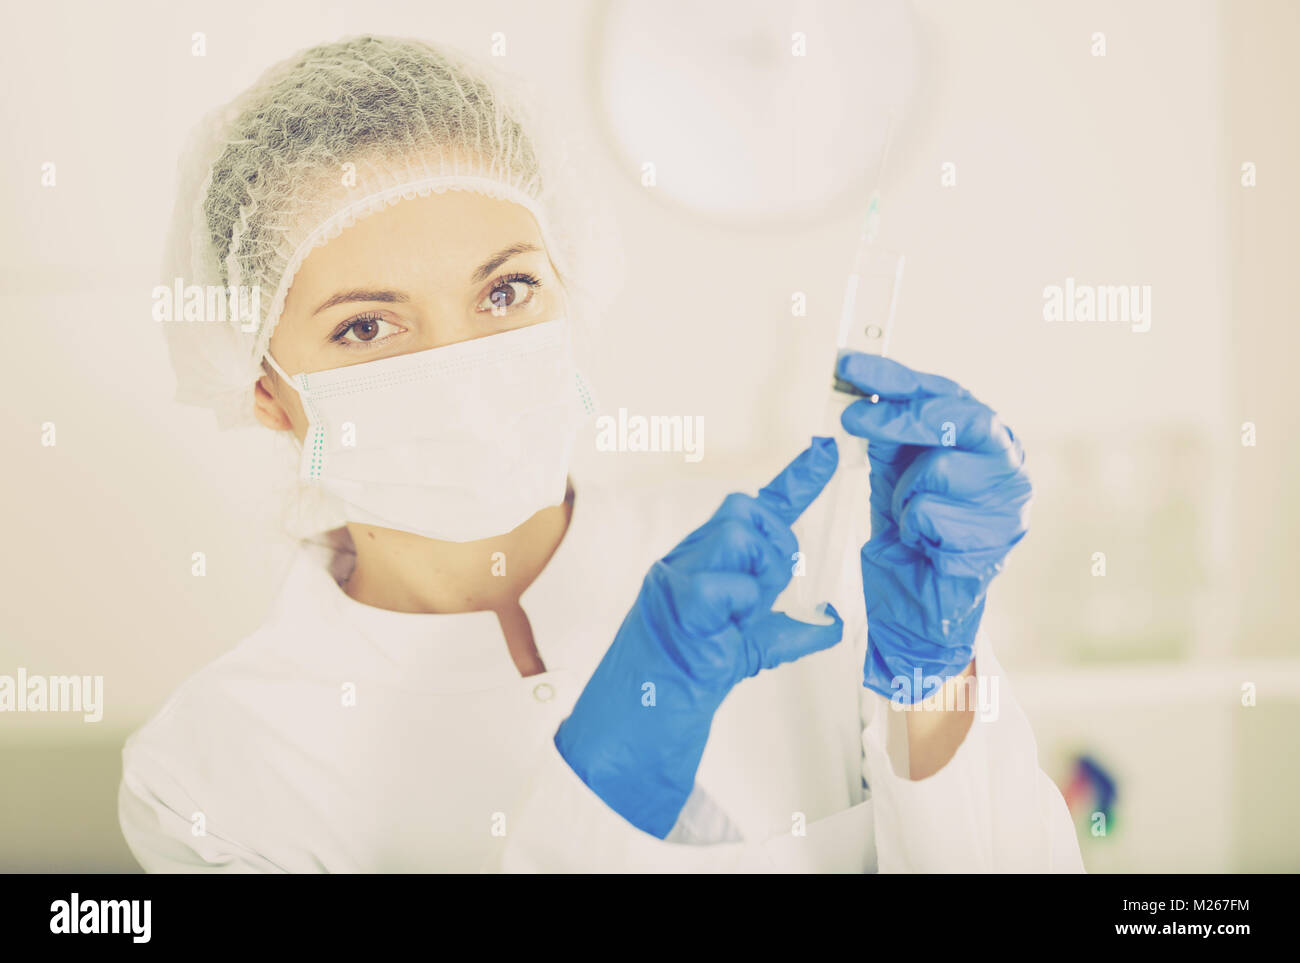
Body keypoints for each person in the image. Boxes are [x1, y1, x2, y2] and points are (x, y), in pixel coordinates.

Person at [119, 34, 1083, 873]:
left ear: (569, 285)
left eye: (504, 292)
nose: (461, 367)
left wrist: (932, 684)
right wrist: (606, 789)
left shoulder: (803, 557)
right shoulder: (214, 777)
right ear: (264, 392)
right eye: (368, 328)